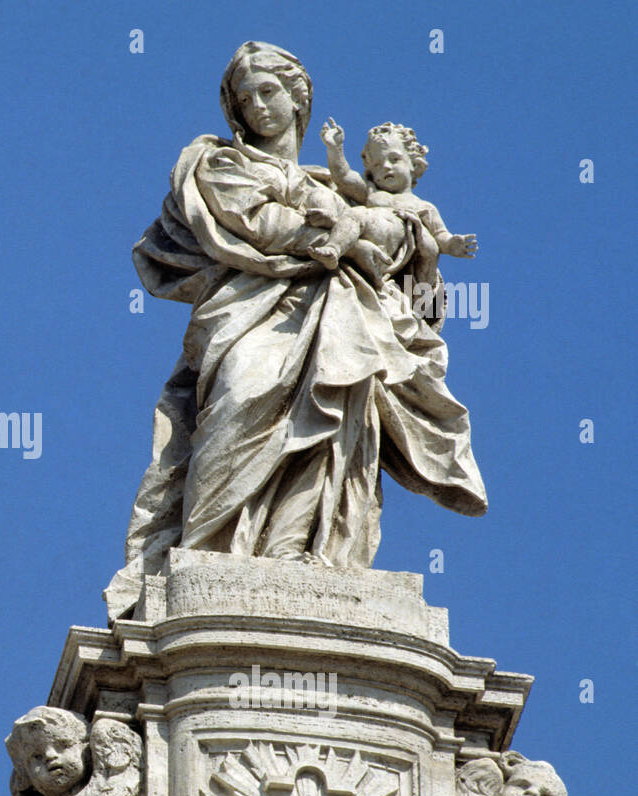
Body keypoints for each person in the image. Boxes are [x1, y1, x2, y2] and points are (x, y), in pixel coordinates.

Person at [105, 42, 487, 622]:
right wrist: (346, 244)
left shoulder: (339, 189)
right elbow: (252, 225)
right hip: (250, 315)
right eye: (244, 97)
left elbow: (414, 291)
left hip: (342, 320)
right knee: (239, 399)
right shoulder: (221, 164)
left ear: (298, 98)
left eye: (269, 92)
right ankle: (205, 555)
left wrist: (415, 244)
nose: (258, 106)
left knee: (331, 426)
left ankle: (302, 551)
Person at [307, 119, 478, 277]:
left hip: (393, 242)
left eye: (394, 159)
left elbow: (440, 235)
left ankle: (335, 242)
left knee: (359, 213)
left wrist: (452, 245)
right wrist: (335, 149)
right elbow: (343, 176)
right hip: (367, 228)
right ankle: (333, 249)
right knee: (350, 210)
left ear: (414, 164)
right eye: (377, 164)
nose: (386, 167)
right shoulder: (371, 191)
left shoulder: (423, 206)